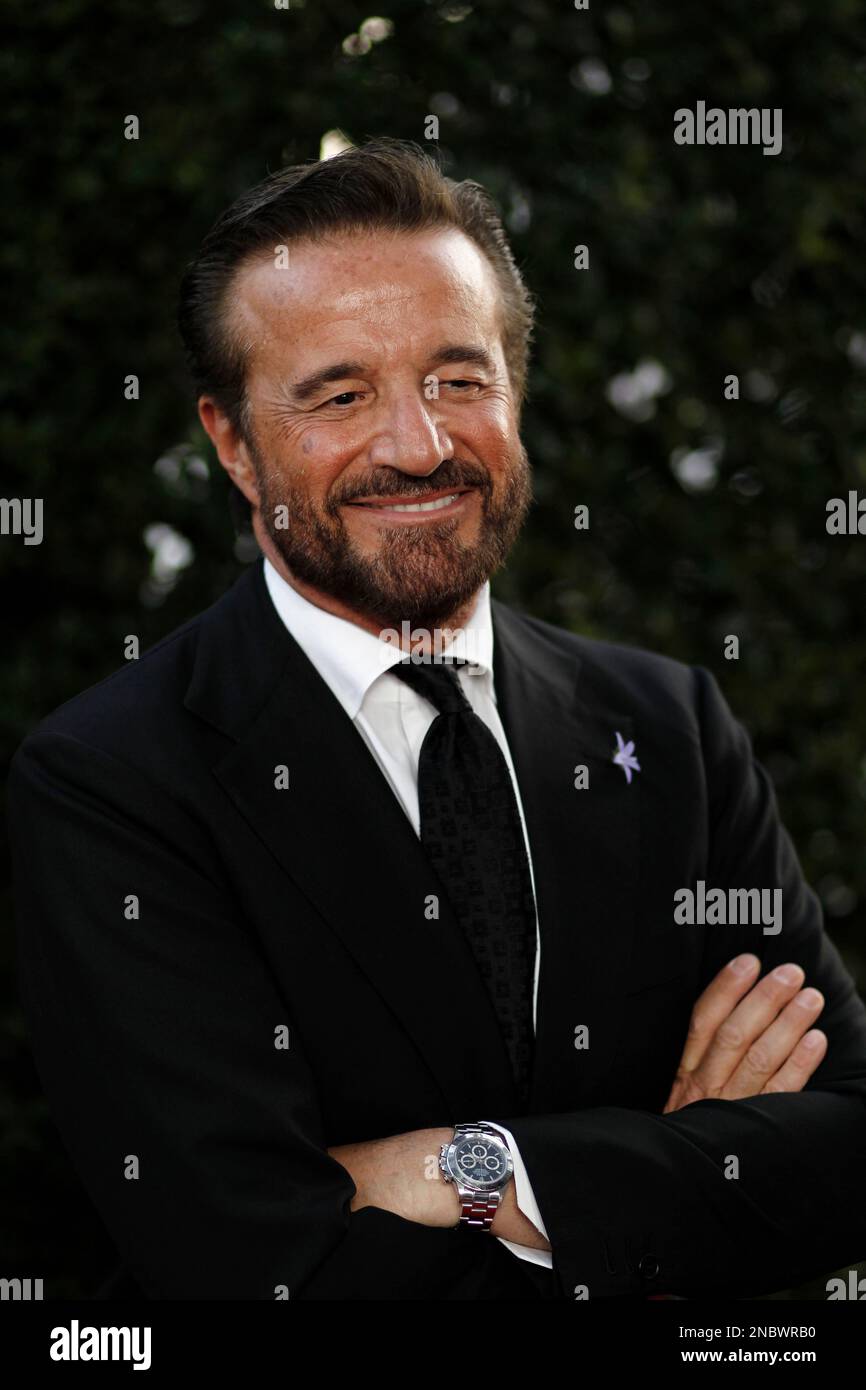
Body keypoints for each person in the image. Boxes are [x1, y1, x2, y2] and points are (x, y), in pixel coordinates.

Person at [9, 138, 866, 1300]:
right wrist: (670, 1173)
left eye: (457, 380)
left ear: (514, 390)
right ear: (230, 441)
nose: (416, 445)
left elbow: (846, 1144)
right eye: (339, 393)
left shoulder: (669, 727)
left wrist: (458, 1172)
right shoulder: (112, 779)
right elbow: (248, 1264)